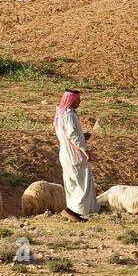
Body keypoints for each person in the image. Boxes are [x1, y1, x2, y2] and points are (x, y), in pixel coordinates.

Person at [53, 89, 97, 221]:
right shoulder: (69, 115)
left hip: (65, 153)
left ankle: (74, 212)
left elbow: (66, 134)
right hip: (74, 154)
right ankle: (70, 211)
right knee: (82, 183)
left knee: (72, 183)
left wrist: (82, 137)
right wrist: (85, 149)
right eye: (78, 99)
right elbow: (72, 135)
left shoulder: (60, 114)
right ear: (72, 100)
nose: (80, 102)